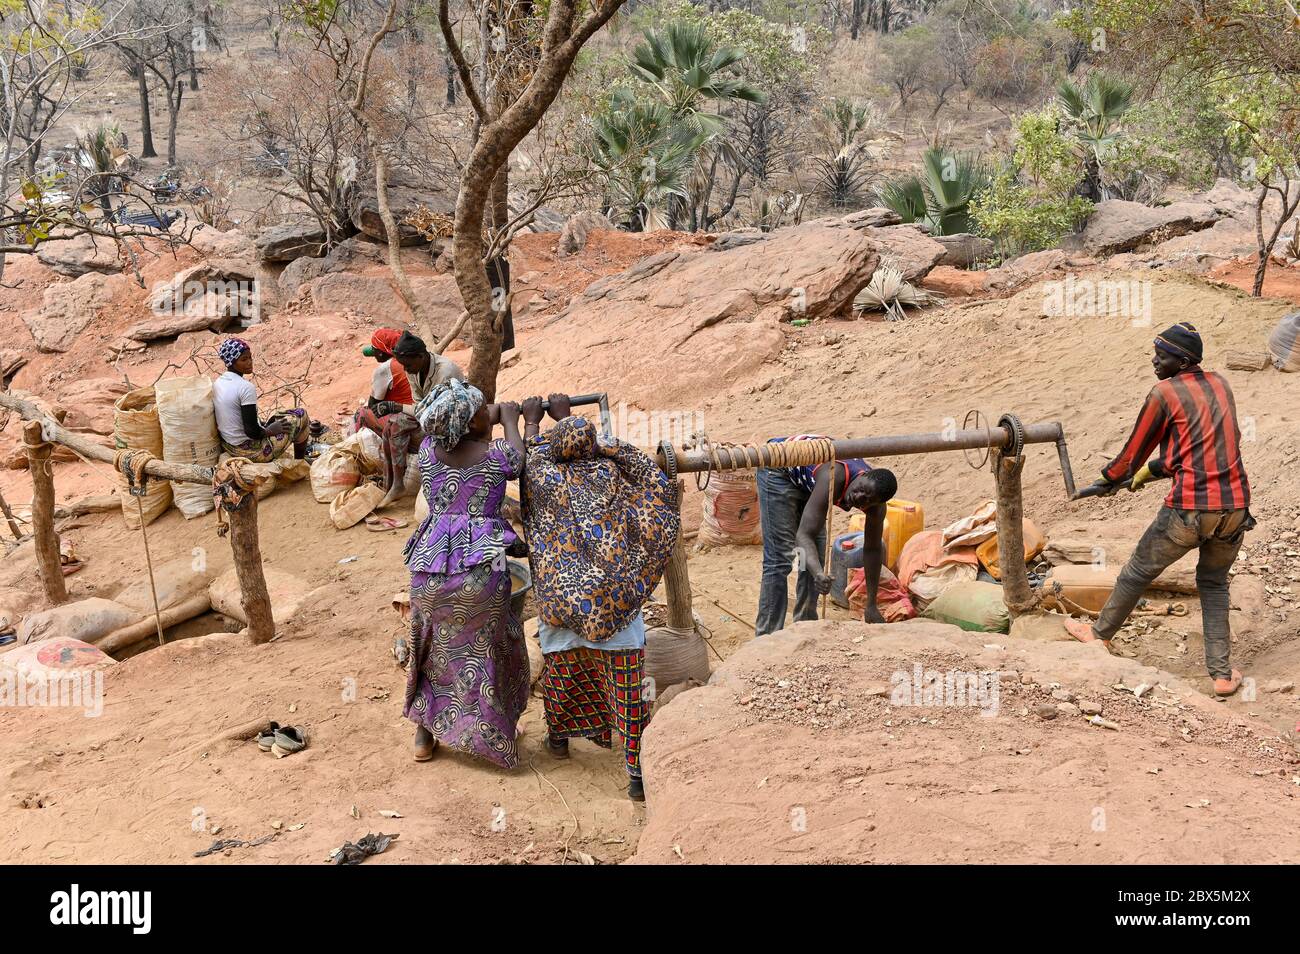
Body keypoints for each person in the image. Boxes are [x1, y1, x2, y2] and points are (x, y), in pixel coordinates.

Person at [1066, 322, 1253, 696]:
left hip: (1189, 507)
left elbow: (1133, 453)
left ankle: (1099, 635)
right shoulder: (1220, 384)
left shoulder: (1164, 394)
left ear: (1182, 361)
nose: (1155, 361)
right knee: (1214, 584)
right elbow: (1189, 450)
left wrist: (1110, 478)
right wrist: (1149, 473)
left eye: (1162, 356)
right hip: (1235, 506)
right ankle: (1220, 675)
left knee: (1137, 571)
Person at [520, 394, 676, 802]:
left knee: (563, 675)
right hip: (616, 605)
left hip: (563, 606)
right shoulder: (612, 474)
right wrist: (602, 440)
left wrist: (543, 422)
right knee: (626, 688)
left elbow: (528, 450)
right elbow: (651, 476)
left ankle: (558, 740)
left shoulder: (540, 476)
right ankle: (637, 774)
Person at [402, 379, 530, 766]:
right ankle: (492, 735)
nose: (487, 411)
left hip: (428, 572)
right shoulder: (496, 456)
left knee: (431, 649)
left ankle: (424, 735)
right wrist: (510, 420)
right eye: (481, 409)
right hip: (480, 574)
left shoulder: (427, 452)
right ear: (474, 424)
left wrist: (478, 418)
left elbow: (456, 433)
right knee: (490, 648)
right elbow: (521, 459)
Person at [754, 434, 897, 636]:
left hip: (808, 480)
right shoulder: (834, 477)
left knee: (813, 559)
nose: (857, 498)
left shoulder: (876, 505)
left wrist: (871, 604)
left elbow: (873, 549)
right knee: (780, 559)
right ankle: (766, 636)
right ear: (862, 477)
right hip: (778, 467)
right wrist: (818, 574)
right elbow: (804, 536)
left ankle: (804, 628)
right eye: (860, 490)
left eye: (866, 500)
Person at [353, 328, 428, 507]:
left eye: (376, 350)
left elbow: (373, 404)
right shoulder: (418, 363)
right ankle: (392, 482)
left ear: (383, 351)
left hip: (409, 418)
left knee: (362, 414)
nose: (374, 354)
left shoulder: (385, 369)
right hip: (417, 415)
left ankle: (361, 466)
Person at [212, 338, 310, 462]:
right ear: (231, 362)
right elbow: (252, 432)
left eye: (250, 357)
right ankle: (300, 462)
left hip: (230, 446)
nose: (249, 362)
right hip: (251, 452)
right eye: (244, 359)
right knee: (301, 415)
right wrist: (270, 430)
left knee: (279, 416)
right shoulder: (245, 387)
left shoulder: (218, 382)